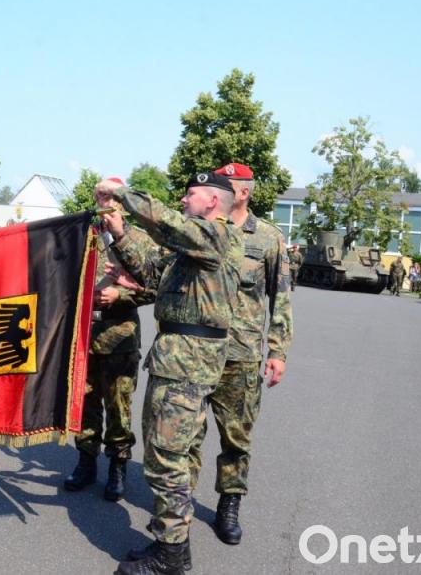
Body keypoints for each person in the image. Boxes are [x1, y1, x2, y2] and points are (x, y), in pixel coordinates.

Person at [97, 172, 243, 574]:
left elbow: (167, 223)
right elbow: (151, 272)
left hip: (187, 361)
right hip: (177, 357)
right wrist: (120, 232)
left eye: (191, 193)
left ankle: (170, 557)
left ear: (213, 202)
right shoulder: (193, 248)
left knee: (166, 456)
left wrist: (123, 195)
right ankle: (172, 543)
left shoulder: (216, 235)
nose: (183, 199)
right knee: (168, 452)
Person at [186, 163, 292, 546]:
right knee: (189, 435)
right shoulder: (202, 230)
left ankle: (229, 504)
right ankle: (178, 509)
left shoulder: (267, 238)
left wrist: (278, 350)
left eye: (227, 184)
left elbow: (281, 298)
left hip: (241, 354)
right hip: (197, 352)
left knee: (236, 437)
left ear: (243, 192)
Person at [63, 177, 156, 501]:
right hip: (85, 335)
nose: (105, 200)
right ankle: (85, 461)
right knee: (85, 404)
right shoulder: (80, 235)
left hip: (120, 336)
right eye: (100, 194)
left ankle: (117, 467)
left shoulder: (139, 240)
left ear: (123, 200)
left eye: (112, 195)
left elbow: (155, 288)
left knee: (119, 407)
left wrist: (120, 295)